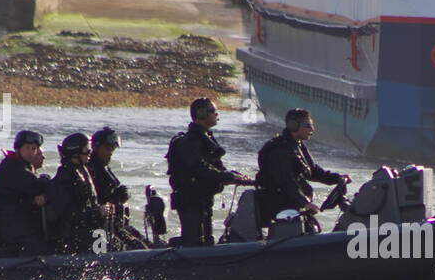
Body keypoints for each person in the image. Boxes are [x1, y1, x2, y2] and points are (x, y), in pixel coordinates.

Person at [166, 98, 253, 246]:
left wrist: (236, 177)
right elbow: (198, 169)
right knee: (194, 242)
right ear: (201, 114)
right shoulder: (190, 141)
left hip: (203, 198)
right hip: (190, 199)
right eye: (213, 111)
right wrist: (227, 176)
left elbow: (216, 169)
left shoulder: (205, 138)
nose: (217, 114)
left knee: (206, 241)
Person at [255, 109, 351, 232]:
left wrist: (338, 178)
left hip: (293, 205)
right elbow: (286, 182)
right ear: (293, 126)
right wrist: (305, 203)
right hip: (280, 206)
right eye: (308, 125)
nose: (312, 130)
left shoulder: (297, 145)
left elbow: (313, 171)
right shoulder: (279, 150)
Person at [47, 132, 114, 253]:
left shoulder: (82, 171)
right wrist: (97, 212)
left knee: (121, 242)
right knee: (109, 247)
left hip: (90, 230)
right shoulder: (64, 178)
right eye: (86, 151)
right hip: (74, 237)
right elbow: (70, 214)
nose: (90, 154)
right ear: (75, 153)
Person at [0, 129, 50, 257]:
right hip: (9, 223)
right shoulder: (12, 167)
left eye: (33, 149)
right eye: (27, 148)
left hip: (16, 220)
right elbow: (36, 185)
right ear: (18, 149)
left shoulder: (21, 166)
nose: (30, 152)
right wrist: (45, 179)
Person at [89, 126, 150, 249]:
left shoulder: (104, 168)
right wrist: (114, 197)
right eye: (107, 149)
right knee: (138, 247)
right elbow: (95, 200)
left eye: (112, 149)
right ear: (95, 148)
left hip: (117, 225)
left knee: (146, 244)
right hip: (103, 228)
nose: (110, 153)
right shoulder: (90, 170)